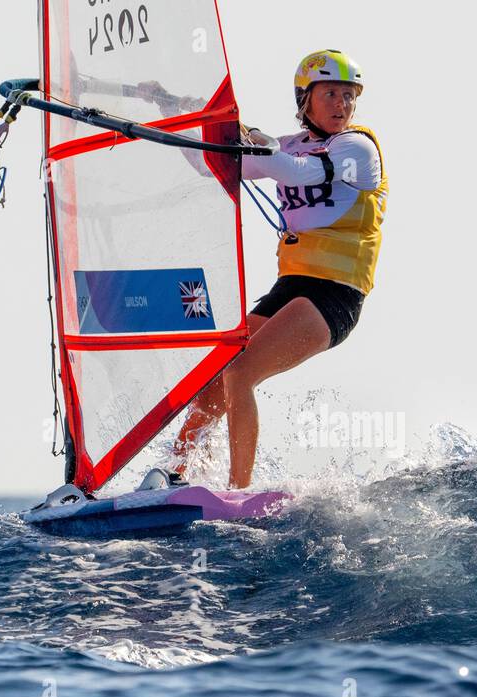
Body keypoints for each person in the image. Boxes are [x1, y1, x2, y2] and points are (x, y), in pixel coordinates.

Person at [169, 49, 388, 488]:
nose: (342, 105)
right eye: (331, 94)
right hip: (290, 287)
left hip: (334, 295)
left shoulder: (357, 147)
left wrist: (249, 138)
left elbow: (295, 171)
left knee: (241, 373)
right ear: (305, 98)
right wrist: (176, 119)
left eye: (349, 96)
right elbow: (209, 162)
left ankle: (238, 492)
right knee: (214, 377)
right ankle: (175, 476)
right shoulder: (289, 144)